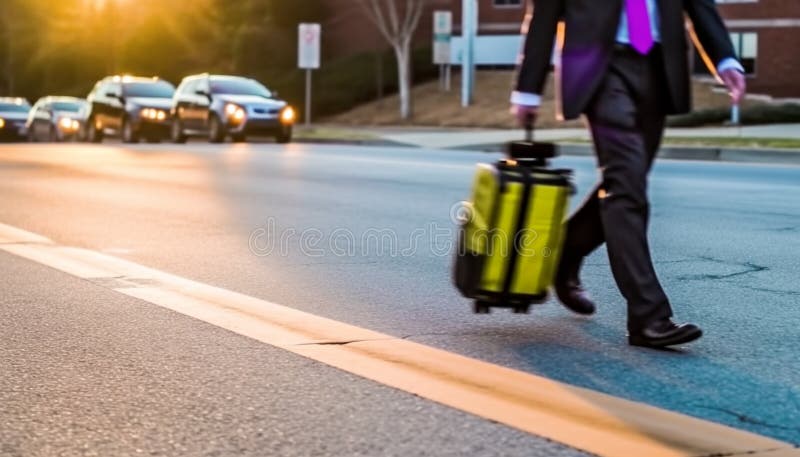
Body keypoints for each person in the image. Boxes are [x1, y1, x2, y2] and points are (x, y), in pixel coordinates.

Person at [511, 0, 746, 348]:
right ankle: (648, 316)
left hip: (657, 65)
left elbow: (699, 5)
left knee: (625, 183)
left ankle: (562, 253)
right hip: (599, 66)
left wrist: (725, 58)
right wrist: (528, 87)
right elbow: (544, 12)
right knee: (626, 185)